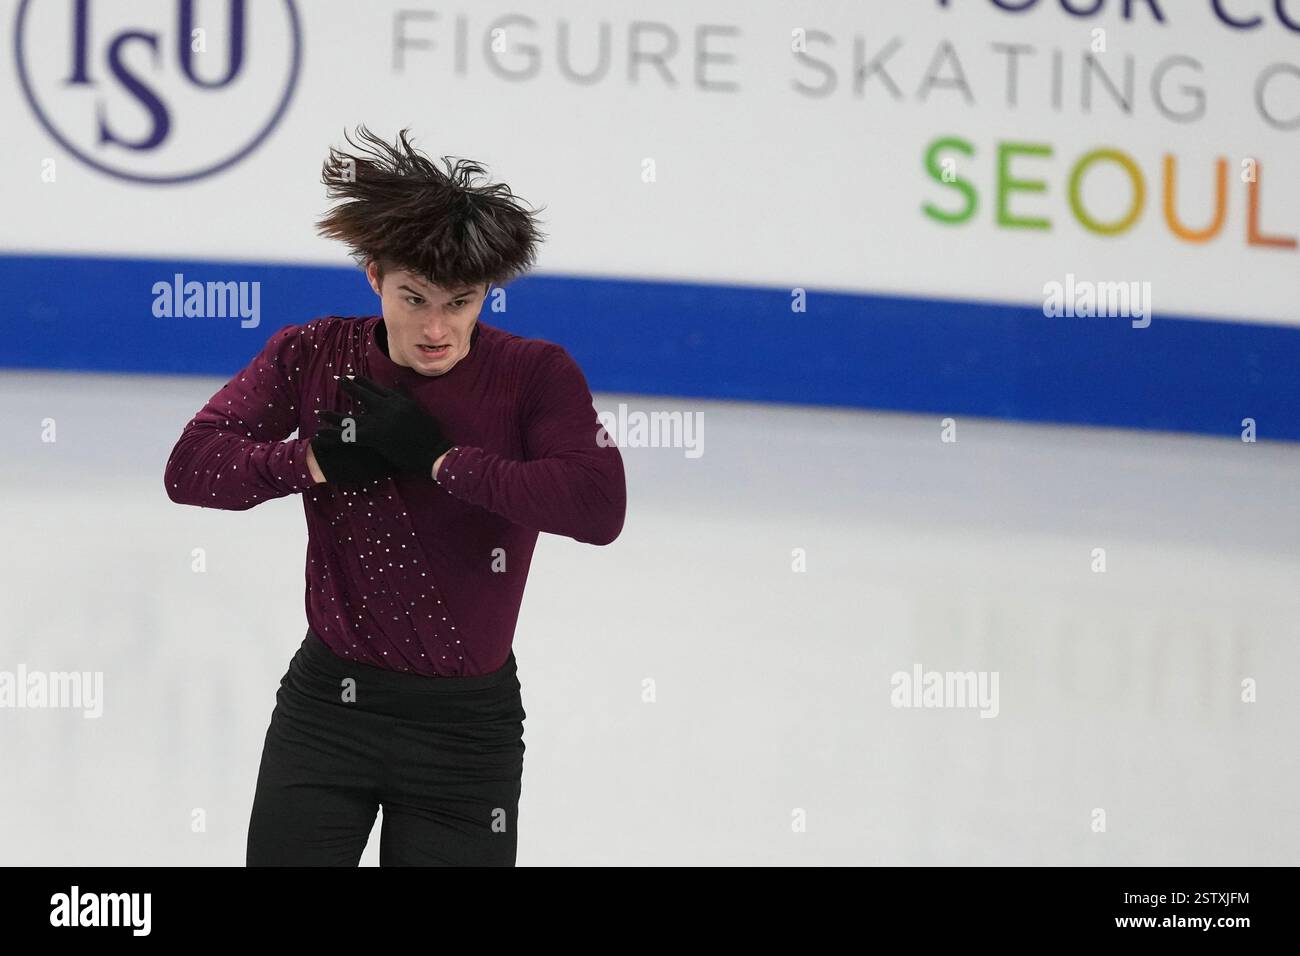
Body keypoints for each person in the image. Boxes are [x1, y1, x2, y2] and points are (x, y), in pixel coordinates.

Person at [163, 126, 627, 866]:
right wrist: (309, 460)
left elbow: (599, 508)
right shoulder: (313, 354)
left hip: (464, 734)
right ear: (373, 275)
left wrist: (440, 461)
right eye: (414, 297)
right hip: (325, 715)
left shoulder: (534, 375)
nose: (437, 329)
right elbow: (190, 467)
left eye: (462, 301)